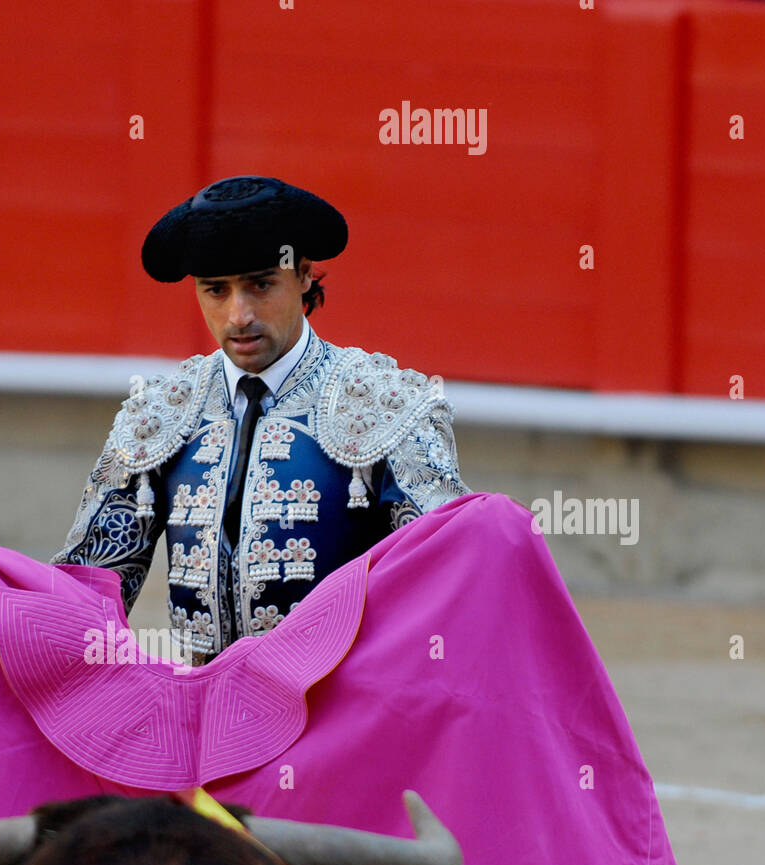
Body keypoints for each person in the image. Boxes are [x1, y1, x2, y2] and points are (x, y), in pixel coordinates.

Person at [52, 175, 470, 663]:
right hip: (203, 715)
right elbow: (87, 587)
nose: (238, 315)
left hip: (342, 718)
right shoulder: (159, 413)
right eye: (216, 290)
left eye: (260, 284)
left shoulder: (388, 404)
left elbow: (447, 586)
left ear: (305, 274)